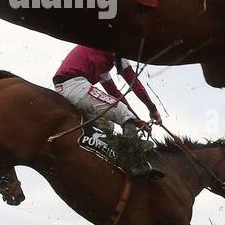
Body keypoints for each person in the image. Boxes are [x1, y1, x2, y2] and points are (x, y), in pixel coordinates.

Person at [52, 44, 162, 177]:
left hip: (67, 87)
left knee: (107, 125)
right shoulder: (116, 50)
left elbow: (115, 94)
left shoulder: (101, 55)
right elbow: (134, 84)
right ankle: (134, 162)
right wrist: (152, 109)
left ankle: (108, 162)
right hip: (74, 85)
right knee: (122, 112)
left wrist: (135, 119)